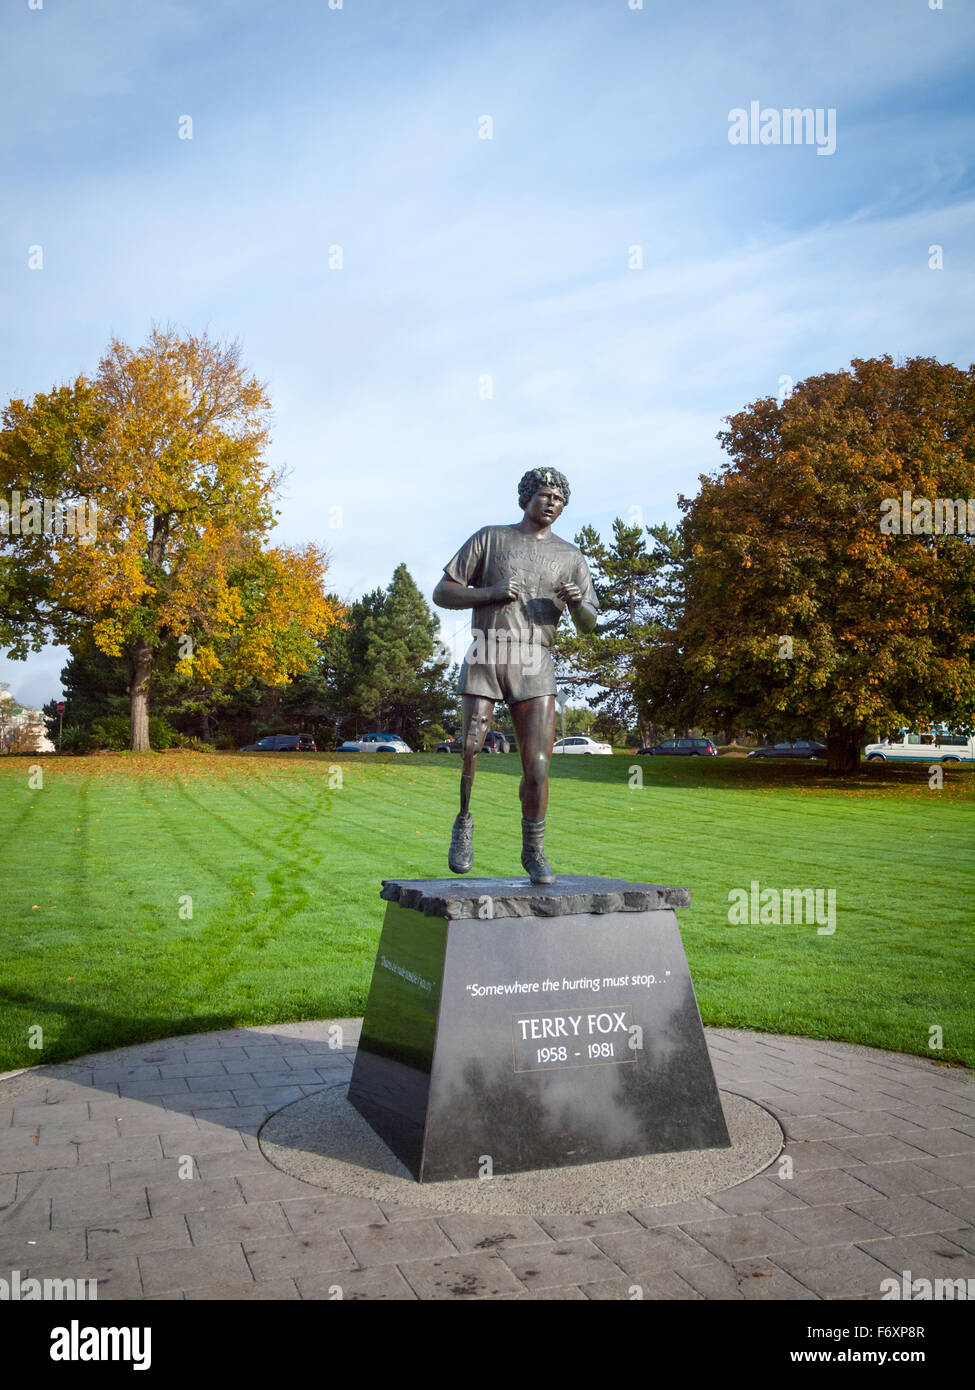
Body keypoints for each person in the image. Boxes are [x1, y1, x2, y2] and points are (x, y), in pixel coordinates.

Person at [432, 467, 598, 883]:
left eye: (560, 500)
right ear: (526, 497)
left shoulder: (570, 556)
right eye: (545, 495)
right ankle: (464, 822)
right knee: (471, 749)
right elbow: (443, 592)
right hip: (487, 650)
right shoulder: (490, 538)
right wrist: (489, 593)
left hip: (534, 658)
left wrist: (577, 604)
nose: (552, 504)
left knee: (538, 765)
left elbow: (590, 623)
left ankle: (534, 851)